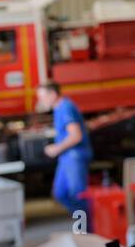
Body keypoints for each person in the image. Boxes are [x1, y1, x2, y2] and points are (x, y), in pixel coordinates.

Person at [37, 82, 93, 221]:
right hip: (66, 157)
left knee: (77, 196)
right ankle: (83, 226)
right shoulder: (59, 108)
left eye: (42, 97)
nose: (40, 101)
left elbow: (76, 135)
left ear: (53, 94)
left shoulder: (66, 107)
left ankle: (87, 231)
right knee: (60, 193)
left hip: (74, 156)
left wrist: (56, 148)